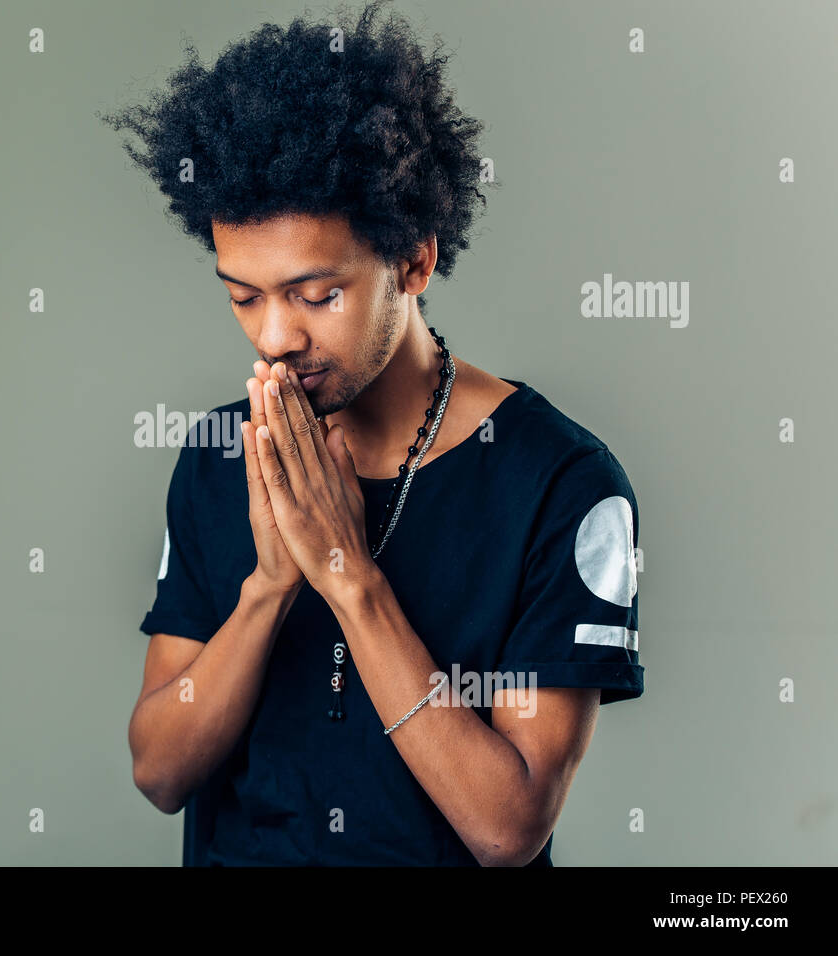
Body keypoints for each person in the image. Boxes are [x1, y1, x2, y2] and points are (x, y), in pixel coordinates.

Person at [101, 0, 643, 866]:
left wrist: (349, 575)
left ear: (414, 262)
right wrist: (271, 586)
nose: (275, 335)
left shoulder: (562, 483)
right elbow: (159, 771)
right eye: (244, 296)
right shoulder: (218, 454)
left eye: (317, 295)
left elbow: (507, 827)